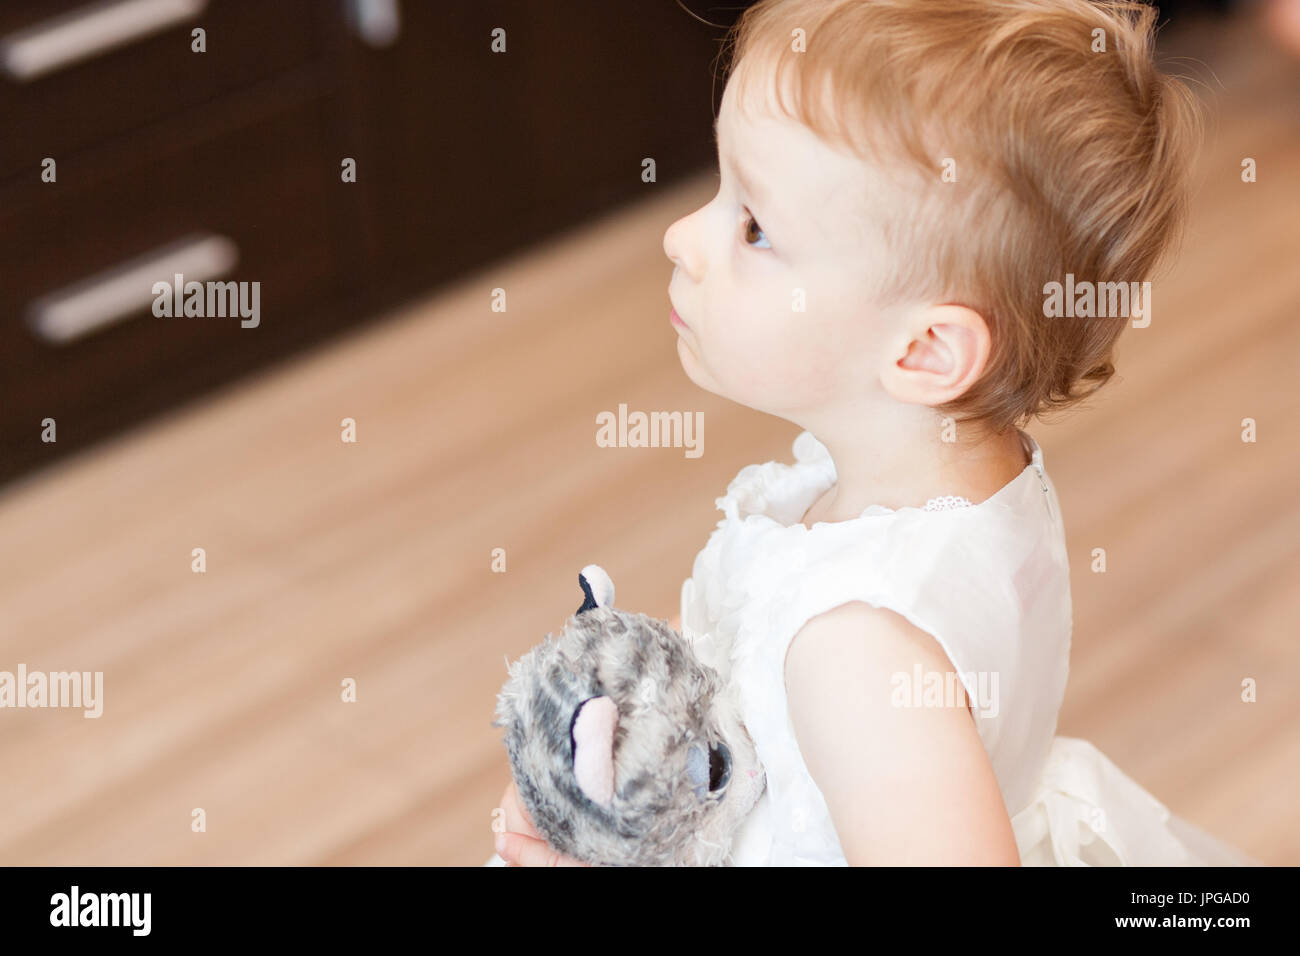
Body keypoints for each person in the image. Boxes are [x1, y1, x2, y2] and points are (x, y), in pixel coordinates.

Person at [493, 0, 1258, 866]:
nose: (679, 237)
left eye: (755, 228)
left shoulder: (858, 649)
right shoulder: (927, 479)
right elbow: (741, 630)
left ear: (926, 350)